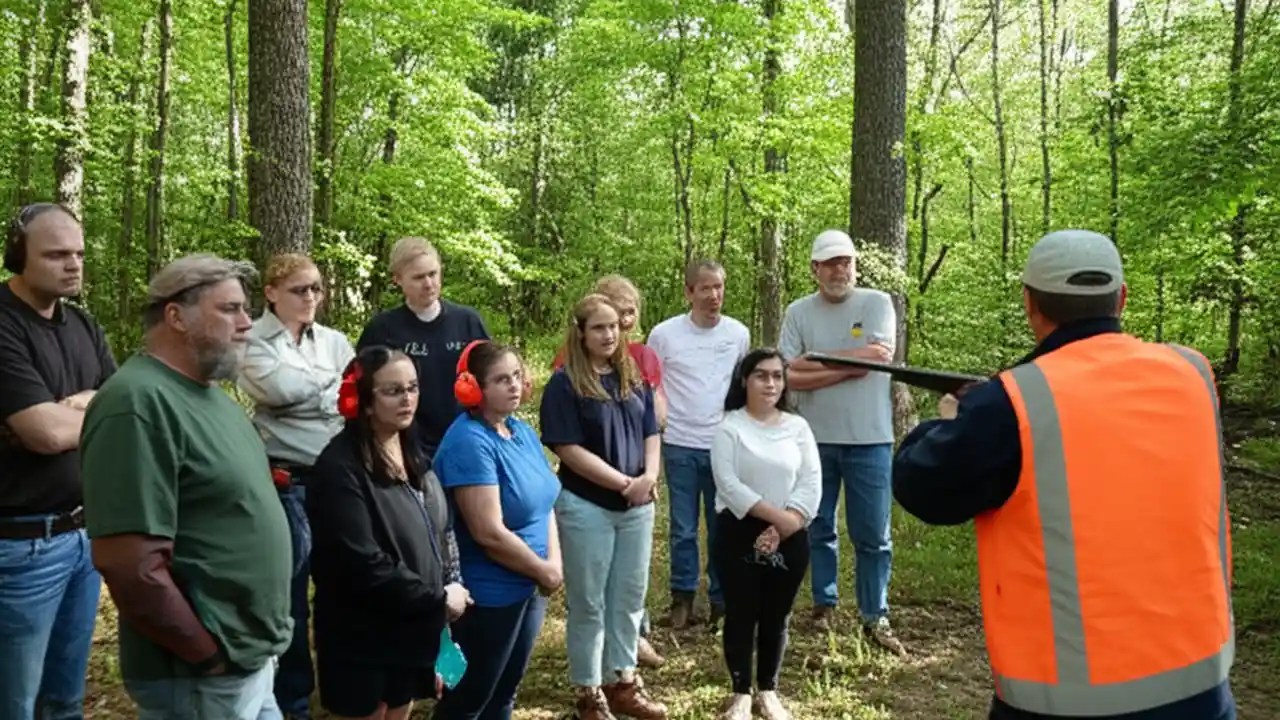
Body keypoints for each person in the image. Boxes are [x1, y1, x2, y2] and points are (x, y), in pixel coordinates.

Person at [893, 230, 1236, 720]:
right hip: (1201, 683)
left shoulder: (1012, 403)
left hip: (1067, 701)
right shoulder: (1193, 373)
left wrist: (947, 421)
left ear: (1029, 304)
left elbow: (921, 487)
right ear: (1121, 298)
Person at [81, 254, 292, 719]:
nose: (246, 324)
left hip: (248, 661)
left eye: (246, 310)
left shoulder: (212, 398)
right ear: (176, 316)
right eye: (230, 309)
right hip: (198, 677)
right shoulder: (136, 403)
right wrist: (206, 655)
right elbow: (128, 563)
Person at [307, 347, 470, 720]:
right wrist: (437, 598)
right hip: (363, 636)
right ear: (363, 401)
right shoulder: (339, 469)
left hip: (412, 626)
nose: (407, 398)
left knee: (401, 709)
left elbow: (441, 530)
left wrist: (452, 584)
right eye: (393, 390)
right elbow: (360, 561)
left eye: (412, 387)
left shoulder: (413, 452)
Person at [0, 202, 116, 720]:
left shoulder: (83, 325)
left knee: (64, 701)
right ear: (18, 255)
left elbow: (125, 407)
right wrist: (86, 406)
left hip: (83, 537)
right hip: (20, 545)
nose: (73, 264)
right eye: (56, 254)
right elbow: (44, 433)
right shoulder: (2, 324)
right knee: (15, 703)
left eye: (79, 254)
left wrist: (81, 405)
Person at [236, 253, 355, 719]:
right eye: (299, 289)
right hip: (287, 483)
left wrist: (321, 391)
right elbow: (277, 393)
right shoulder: (252, 339)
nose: (311, 298)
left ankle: (342, 690)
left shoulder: (334, 339)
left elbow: (352, 397)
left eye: (316, 289)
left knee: (343, 589)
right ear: (271, 292)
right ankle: (291, 702)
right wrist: (330, 389)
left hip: (340, 479)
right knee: (289, 598)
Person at [541, 294, 668, 720]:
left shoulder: (630, 373)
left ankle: (622, 681)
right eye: (598, 327)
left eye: (614, 325)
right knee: (589, 601)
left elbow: (652, 429)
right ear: (580, 332)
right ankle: (588, 692)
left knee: (629, 597)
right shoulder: (565, 383)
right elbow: (567, 448)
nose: (609, 334)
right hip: (587, 504)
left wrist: (648, 477)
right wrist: (623, 483)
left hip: (637, 505)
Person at [778, 229, 903, 655]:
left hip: (870, 438)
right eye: (830, 262)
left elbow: (879, 357)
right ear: (815, 268)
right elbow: (787, 373)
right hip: (812, 439)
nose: (840, 269)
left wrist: (819, 361)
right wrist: (848, 366)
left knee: (873, 534)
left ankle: (875, 614)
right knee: (817, 526)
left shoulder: (876, 303)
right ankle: (824, 603)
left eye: (846, 261)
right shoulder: (799, 312)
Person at [432, 340, 561, 720]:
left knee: (505, 692)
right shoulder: (469, 442)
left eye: (518, 376)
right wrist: (544, 570)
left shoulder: (518, 431)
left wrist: (553, 563)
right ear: (474, 388)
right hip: (488, 597)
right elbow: (488, 532)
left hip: (529, 588)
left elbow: (545, 504)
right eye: (502, 380)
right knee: (467, 700)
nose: (515, 386)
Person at [710, 348, 821, 720]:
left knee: (777, 614)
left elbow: (811, 482)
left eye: (777, 375)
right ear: (745, 380)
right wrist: (775, 519)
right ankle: (740, 691)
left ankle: (768, 690)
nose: (770, 383)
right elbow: (728, 484)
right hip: (739, 531)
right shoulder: (730, 428)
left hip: (791, 532)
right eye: (761, 375)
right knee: (741, 611)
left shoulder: (798, 427)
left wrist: (787, 523)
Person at [646, 259, 749, 629]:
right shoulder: (664, 335)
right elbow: (653, 387)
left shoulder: (738, 334)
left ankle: (722, 599)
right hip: (679, 441)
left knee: (723, 524)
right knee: (683, 526)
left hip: (723, 444)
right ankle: (682, 598)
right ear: (689, 292)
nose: (713, 295)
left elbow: (742, 387)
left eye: (718, 287)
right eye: (704, 288)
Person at [357, 237, 489, 461]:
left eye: (433, 274)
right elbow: (362, 391)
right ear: (397, 279)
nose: (428, 283)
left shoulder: (467, 322)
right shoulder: (382, 329)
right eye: (418, 277)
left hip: (465, 440)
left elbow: (491, 378)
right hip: (405, 446)